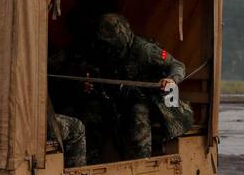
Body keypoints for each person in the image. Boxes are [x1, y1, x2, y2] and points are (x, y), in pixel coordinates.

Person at [74, 13, 194, 162]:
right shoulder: (104, 50)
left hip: (150, 101)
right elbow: (93, 72)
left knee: (138, 112)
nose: (109, 44)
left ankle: (140, 164)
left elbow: (177, 65)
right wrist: (88, 83)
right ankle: (92, 161)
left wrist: (171, 79)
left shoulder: (146, 51)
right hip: (118, 100)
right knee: (92, 109)